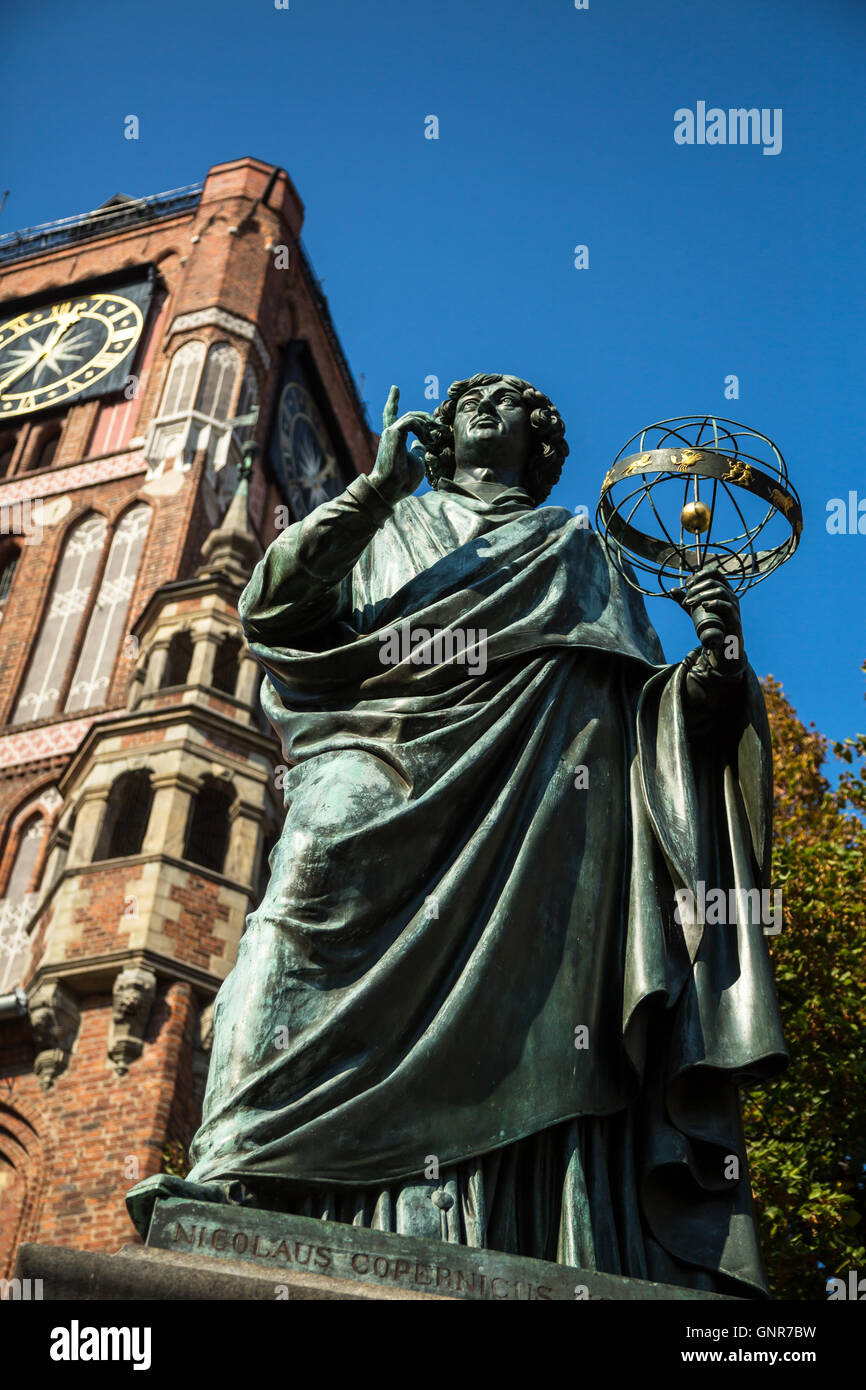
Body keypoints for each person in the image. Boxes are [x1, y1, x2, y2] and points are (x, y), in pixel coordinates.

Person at [128, 374, 786, 1297]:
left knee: (544, 1020)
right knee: (295, 918)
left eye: (512, 400)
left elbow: (650, 719)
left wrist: (714, 673)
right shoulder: (388, 521)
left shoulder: (577, 549)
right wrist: (372, 493)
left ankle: (522, 1225)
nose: (484, 403)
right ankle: (239, 1167)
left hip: (549, 806)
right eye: (470, 396)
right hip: (380, 761)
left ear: (542, 444)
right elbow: (273, 612)